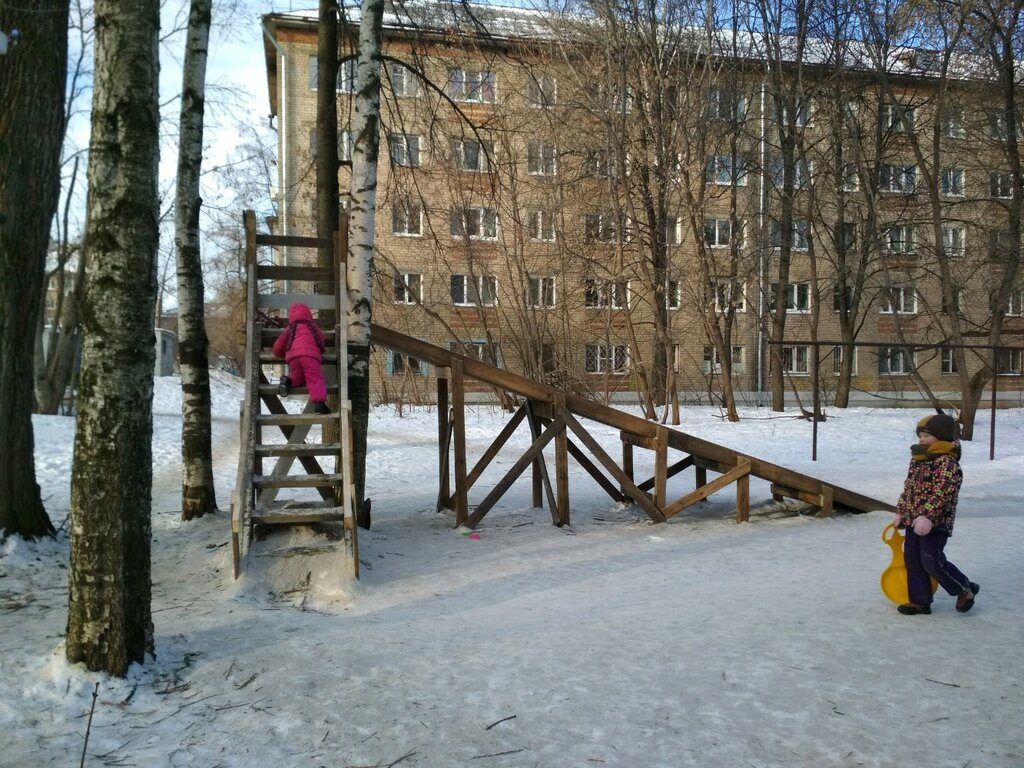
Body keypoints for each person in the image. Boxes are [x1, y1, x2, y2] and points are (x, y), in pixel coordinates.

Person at [892, 413, 978, 615]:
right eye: (920, 435)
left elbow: (945, 492)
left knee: (931, 560)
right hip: (913, 520)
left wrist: (928, 517)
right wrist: (901, 511)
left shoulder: (947, 462)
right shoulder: (918, 460)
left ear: (942, 437)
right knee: (913, 560)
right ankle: (919, 601)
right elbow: (909, 489)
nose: (922, 439)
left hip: (935, 522)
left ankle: (964, 588)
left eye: (927, 435)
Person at [272, 302, 330, 415]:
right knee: (314, 378)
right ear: (308, 315)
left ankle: (287, 381)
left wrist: (280, 353)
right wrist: (320, 350)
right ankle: (319, 403)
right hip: (310, 356)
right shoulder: (313, 327)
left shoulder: (290, 328)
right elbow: (320, 340)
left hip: (294, 358)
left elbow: (278, 346)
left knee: (299, 377)